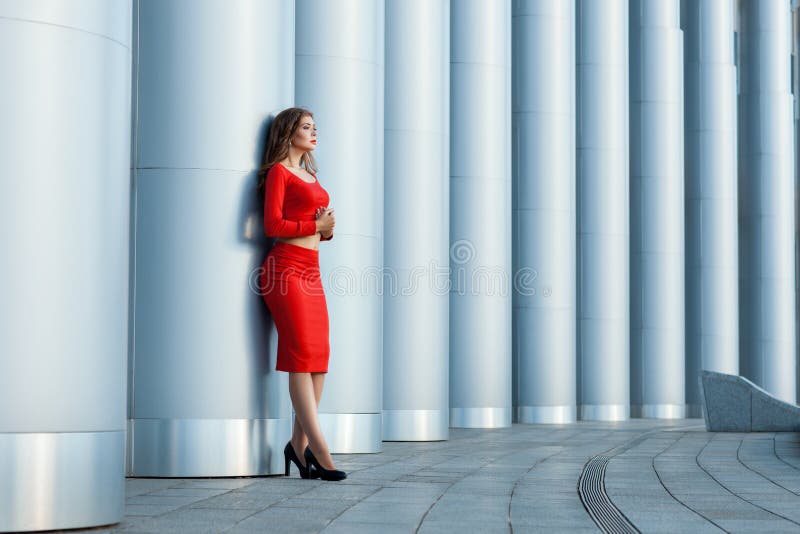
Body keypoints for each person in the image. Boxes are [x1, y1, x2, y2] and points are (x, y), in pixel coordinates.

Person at [256, 107, 346, 482]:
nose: (313, 132)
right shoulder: (279, 172)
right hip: (285, 270)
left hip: (311, 269)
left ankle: (298, 445)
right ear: (288, 132)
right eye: (306, 127)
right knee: (300, 359)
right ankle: (321, 453)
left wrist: (326, 229)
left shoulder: (310, 174)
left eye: (314, 126)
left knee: (318, 358)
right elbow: (272, 224)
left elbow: (318, 229)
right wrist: (316, 223)